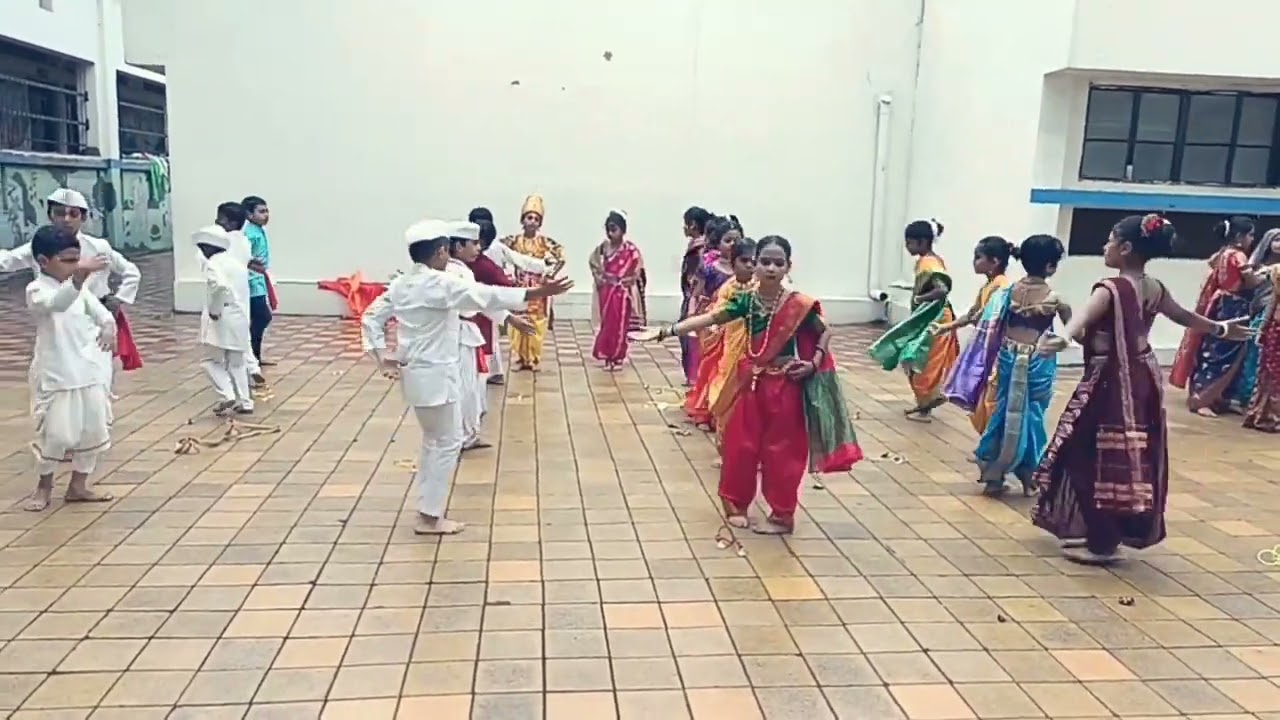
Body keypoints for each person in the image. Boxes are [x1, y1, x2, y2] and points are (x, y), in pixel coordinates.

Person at [1033, 214, 1251, 565]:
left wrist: (1064, 336)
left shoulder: (1111, 288)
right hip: (1142, 379)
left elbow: (1083, 320)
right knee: (1125, 454)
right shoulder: (1153, 287)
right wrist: (1220, 329)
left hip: (1109, 381)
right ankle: (1102, 534)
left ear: (1126, 247)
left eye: (1109, 240)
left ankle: (1102, 540)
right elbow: (1183, 317)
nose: (1104, 246)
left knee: (1087, 453)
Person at [636, 236, 862, 534]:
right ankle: (736, 506)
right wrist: (666, 331)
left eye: (777, 263)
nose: (770, 268)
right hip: (752, 384)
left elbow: (824, 331)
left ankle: (782, 516)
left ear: (788, 267)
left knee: (782, 452)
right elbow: (712, 317)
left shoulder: (799, 305)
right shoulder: (747, 301)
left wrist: (813, 363)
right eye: (764, 262)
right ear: (754, 266)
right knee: (739, 446)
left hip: (785, 388)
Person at [361, 219, 573, 535]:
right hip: (436, 377)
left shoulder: (403, 284)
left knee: (435, 442)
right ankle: (430, 516)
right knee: (446, 442)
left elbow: (371, 317)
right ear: (441, 251)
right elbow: (486, 295)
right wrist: (537, 292)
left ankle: (427, 511)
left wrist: (381, 355)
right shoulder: (439, 284)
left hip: (416, 378)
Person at [961, 235, 1071, 496]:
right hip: (1037, 362)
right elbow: (1075, 332)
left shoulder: (1006, 293)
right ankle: (1028, 472)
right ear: (1051, 266)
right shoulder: (1055, 299)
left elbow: (982, 321)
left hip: (1008, 357)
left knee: (1002, 412)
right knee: (1032, 415)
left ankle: (993, 474)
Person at [0, 189, 143, 385]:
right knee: (59, 369)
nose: (66, 219)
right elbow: (7, 260)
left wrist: (119, 299)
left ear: (83, 217)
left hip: (94, 318)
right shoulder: (40, 247)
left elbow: (131, 271)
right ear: (50, 215)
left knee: (98, 369)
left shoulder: (99, 247)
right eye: (60, 213)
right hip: (58, 319)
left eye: (73, 214)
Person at [23, 224, 117, 512]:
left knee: (92, 430)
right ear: (43, 261)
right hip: (57, 373)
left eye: (76, 259)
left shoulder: (81, 289)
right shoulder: (37, 289)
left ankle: (79, 485)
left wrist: (109, 328)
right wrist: (78, 278)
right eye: (67, 260)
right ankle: (44, 486)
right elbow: (57, 304)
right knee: (58, 434)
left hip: (90, 369)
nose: (75, 265)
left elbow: (101, 313)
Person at [445, 225, 536, 448]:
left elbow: (481, 301)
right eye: (474, 244)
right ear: (458, 246)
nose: (478, 248)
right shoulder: (456, 273)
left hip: (462, 333)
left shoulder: (459, 270)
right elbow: (481, 300)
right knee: (465, 389)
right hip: (457, 335)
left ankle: (467, 434)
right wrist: (510, 316)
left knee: (472, 388)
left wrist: (509, 319)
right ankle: (461, 437)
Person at [868, 220, 959, 421]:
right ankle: (924, 404)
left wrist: (920, 298)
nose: (907, 247)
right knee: (918, 359)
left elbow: (942, 289)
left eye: (910, 243)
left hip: (933, 318)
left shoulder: (929, 263)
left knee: (918, 360)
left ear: (923, 242)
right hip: (929, 317)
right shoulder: (929, 260)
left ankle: (928, 401)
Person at [1169, 216, 1256, 417]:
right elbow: (1250, 282)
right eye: (1250, 235)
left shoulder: (1222, 253)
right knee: (1222, 353)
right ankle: (1203, 399)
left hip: (1219, 304)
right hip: (1233, 307)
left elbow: (1211, 265)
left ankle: (1217, 397)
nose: (1252, 239)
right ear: (1239, 236)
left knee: (1214, 350)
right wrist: (1268, 274)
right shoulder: (1239, 256)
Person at [939, 236, 1014, 434]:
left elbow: (982, 316)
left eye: (978, 257)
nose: (974, 262)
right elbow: (973, 314)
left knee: (988, 396)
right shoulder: (988, 285)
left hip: (991, 349)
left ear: (994, 261)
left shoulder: (1001, 286)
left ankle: (989, 443)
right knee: (978, 394)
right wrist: (946, 327)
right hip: (982, 347)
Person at [684, 215, 743, 426]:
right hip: (714, 323)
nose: (733, 245)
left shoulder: (746, 268)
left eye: (737, 240)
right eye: (728, 240)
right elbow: (696, 294)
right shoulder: (709, 267)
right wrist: (693, 318)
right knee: (711, 365)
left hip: (737, 324)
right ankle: (705, 407)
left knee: (729, 368)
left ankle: (725, 409)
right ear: (718, 243)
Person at [193, 225, 254, 415]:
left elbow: (219, 287)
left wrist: (215, 310)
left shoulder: (213, 264)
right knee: (237, 361)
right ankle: (245, 401)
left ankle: (227, 394)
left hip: (222, 316)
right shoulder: (236, 264)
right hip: (240, 315)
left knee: (210, 360)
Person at [502, 195, 566, 372]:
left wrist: (549, 275)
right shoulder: (513, 241)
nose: (532, 222)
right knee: (518, 321)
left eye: (536, 219)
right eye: (529, 217)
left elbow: (561, 257)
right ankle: (520, 357)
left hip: (537, 288)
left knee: (536, 322)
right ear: (522, 220)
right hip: (520, 287)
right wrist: (506, 274)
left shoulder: (544, 242)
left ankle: (532, 358)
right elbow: (496, 252)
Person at [704, 236, 758, 440]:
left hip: (755, 352)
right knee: (725, 395)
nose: (750, 266)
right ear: (733, 263)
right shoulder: (728, 288)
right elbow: (717, 313)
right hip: (732, 347)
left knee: (750, 399)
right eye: (744, 261)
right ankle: (725, 443)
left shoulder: (761, 288)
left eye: (754, 261)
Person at [589, 210, 645, 370]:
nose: (610, 233)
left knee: (620, 325)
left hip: (621, 294)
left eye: (614, 229)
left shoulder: (630, 250)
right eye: (608, 229)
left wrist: (628, 281)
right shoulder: (603, 248)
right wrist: (599, 277)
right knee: (607, 325)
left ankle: (618, 357)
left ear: (623, 230)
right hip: (606, 292)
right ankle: (607, 357)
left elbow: (638, 267)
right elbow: (593, 262)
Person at [1243, 229, 1280, 432]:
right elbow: (1273, 302)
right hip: (1275, 328)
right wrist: (1263, 329)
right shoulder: (1275, 272)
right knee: (1269, 372)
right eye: (1276, 239)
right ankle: (1264, 415)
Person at [678, 206, 713, 385]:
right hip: (695, 297)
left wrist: (692, 298)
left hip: (695, 298)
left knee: (690, 336)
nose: (684, 228)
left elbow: (694, 276)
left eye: (685, 224)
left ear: (692, 225)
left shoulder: (698, 249)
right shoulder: (701, 246)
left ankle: (694, 377)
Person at [242, 195, 274, 381]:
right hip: (252, 282)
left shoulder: (258, 231)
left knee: (259, 318)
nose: (266, 215)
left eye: (266, 211)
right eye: (261, 212)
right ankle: (252, 356)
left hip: (259, 281)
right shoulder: (249, 234)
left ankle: (255, 356)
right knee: (262, 316)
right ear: (249, 214)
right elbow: (246, 258)